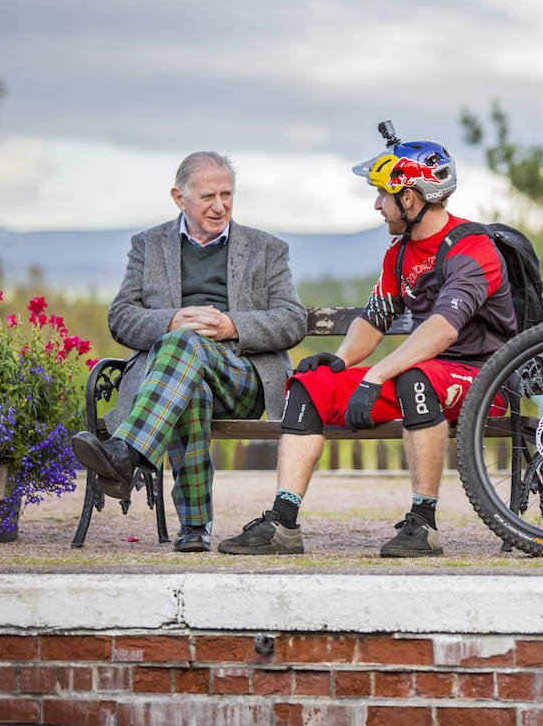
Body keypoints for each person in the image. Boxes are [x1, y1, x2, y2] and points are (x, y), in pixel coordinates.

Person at [218, 133, 516, 558]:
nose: (377, 205)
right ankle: (283, 523)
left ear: (409, 198)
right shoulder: (400, 254)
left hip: (485, 382)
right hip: (426, 378)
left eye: (383, 195)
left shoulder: (472, 248)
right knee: (311, 382)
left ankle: (423, 524)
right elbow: (375, 319)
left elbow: (442, 330)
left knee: (415, 377)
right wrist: (338, 362)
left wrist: (376, 375)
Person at [71, 151, 307, 553]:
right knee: (186, 370)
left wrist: (233, 326)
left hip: (242, 377)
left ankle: (127, 452)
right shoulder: (148, 246)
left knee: (185, 349)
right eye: (208, 196)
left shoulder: (267, 249)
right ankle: (195, 528)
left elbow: (293, 319)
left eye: (227, 194)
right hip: (177, 382)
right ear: (179, 198)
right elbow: (121, 317)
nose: (220, 205)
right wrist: (170, 321)